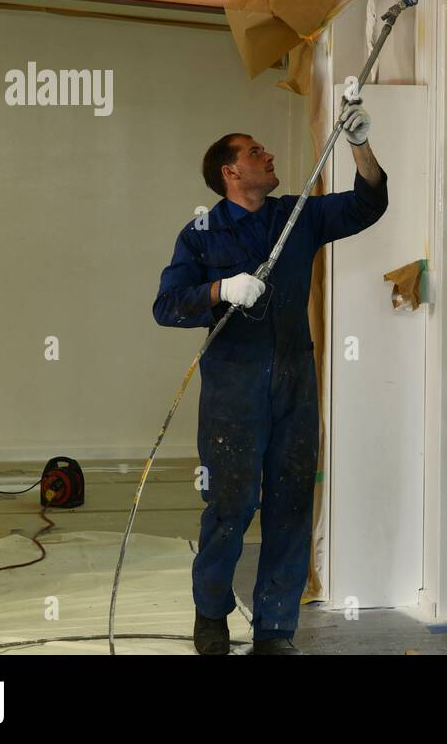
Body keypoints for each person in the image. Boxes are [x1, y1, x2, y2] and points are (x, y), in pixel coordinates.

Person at [152, 101, 386, 655]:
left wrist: (359, 144)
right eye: (256, 152)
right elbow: (166, 306)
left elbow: (367, 205)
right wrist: (220, 290)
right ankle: (210, 616)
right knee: (230, 505)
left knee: (290, 502)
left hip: (294, 379)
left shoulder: (296, 215)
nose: (269, 154)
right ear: (231, 173)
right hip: (234, 386)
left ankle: (275, 631)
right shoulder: (202, 233)